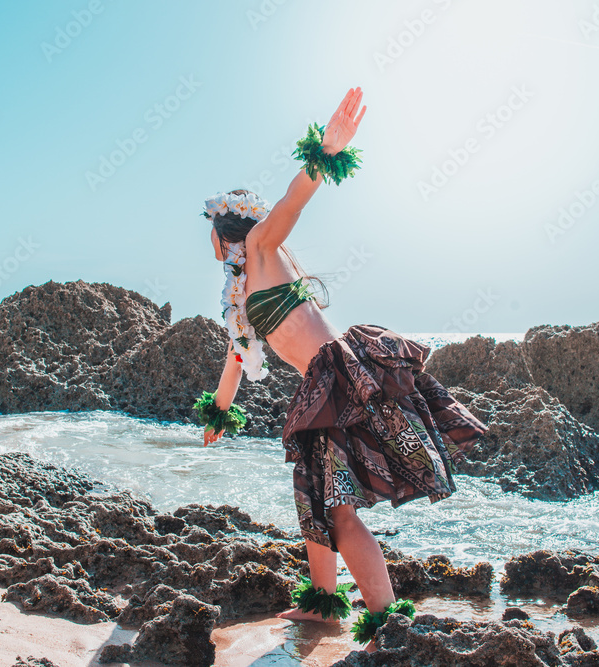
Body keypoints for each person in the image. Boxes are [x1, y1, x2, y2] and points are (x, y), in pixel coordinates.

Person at [195, 87, 489, 650]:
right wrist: (218, 416)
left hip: (343, 377)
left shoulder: (261, 247)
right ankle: (323, 602)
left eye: (208, 225)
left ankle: (385, 623)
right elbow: (236, 359)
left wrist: (325, 152)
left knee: (339, 509)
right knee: (317, 497)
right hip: (320, 389)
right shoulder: (239, 299)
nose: (206, 235)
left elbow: (290, 204)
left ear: (223, 229)